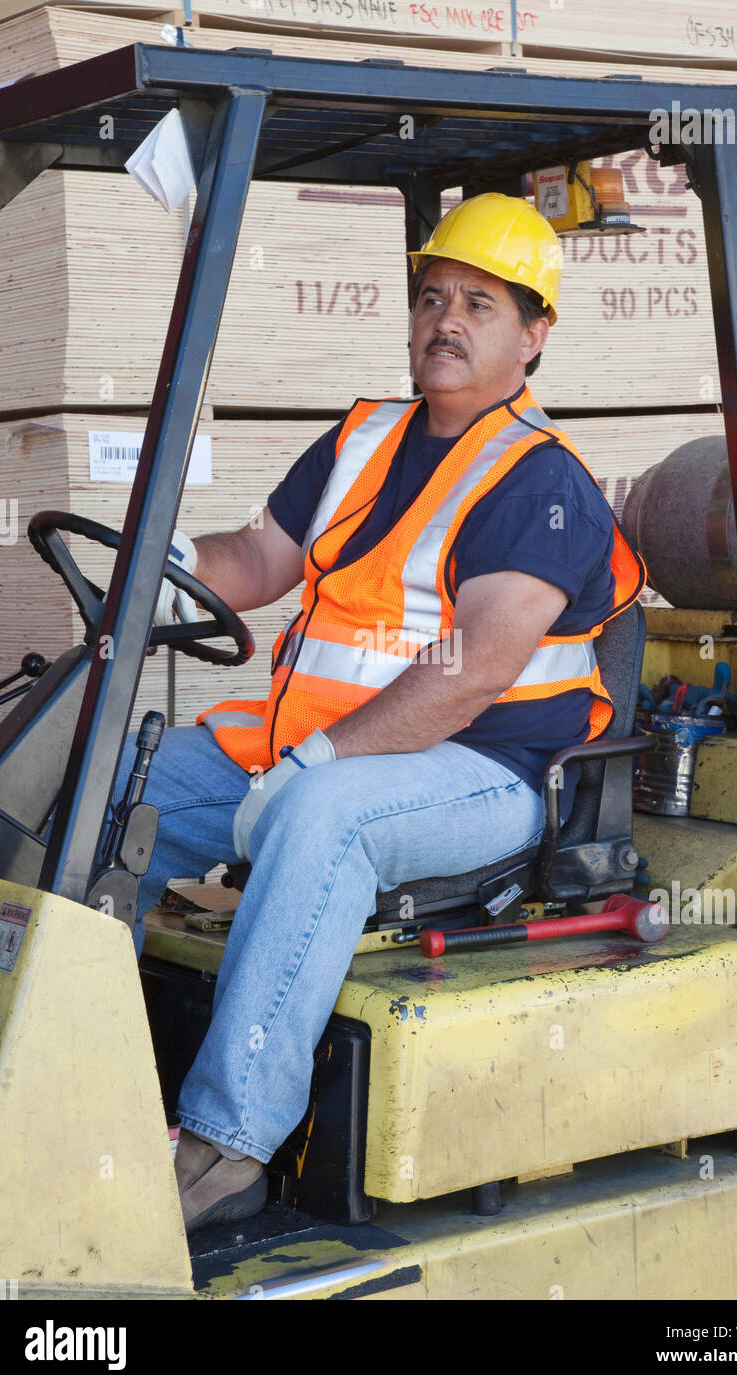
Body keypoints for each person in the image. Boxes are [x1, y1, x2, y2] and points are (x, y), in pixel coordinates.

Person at [116, 193, 645, 1233]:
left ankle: (225, 1146)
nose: (446, 319)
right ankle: (81, 1079)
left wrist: (309, 765)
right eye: (432, 296)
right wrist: (165, 570)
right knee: (103, 780)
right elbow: (258, 559)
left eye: (480, 304)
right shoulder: (361, 436)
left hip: (485, 776)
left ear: (533, 333)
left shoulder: (542, 484)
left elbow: (466, 673)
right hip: (308, 748)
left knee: (320, 817)